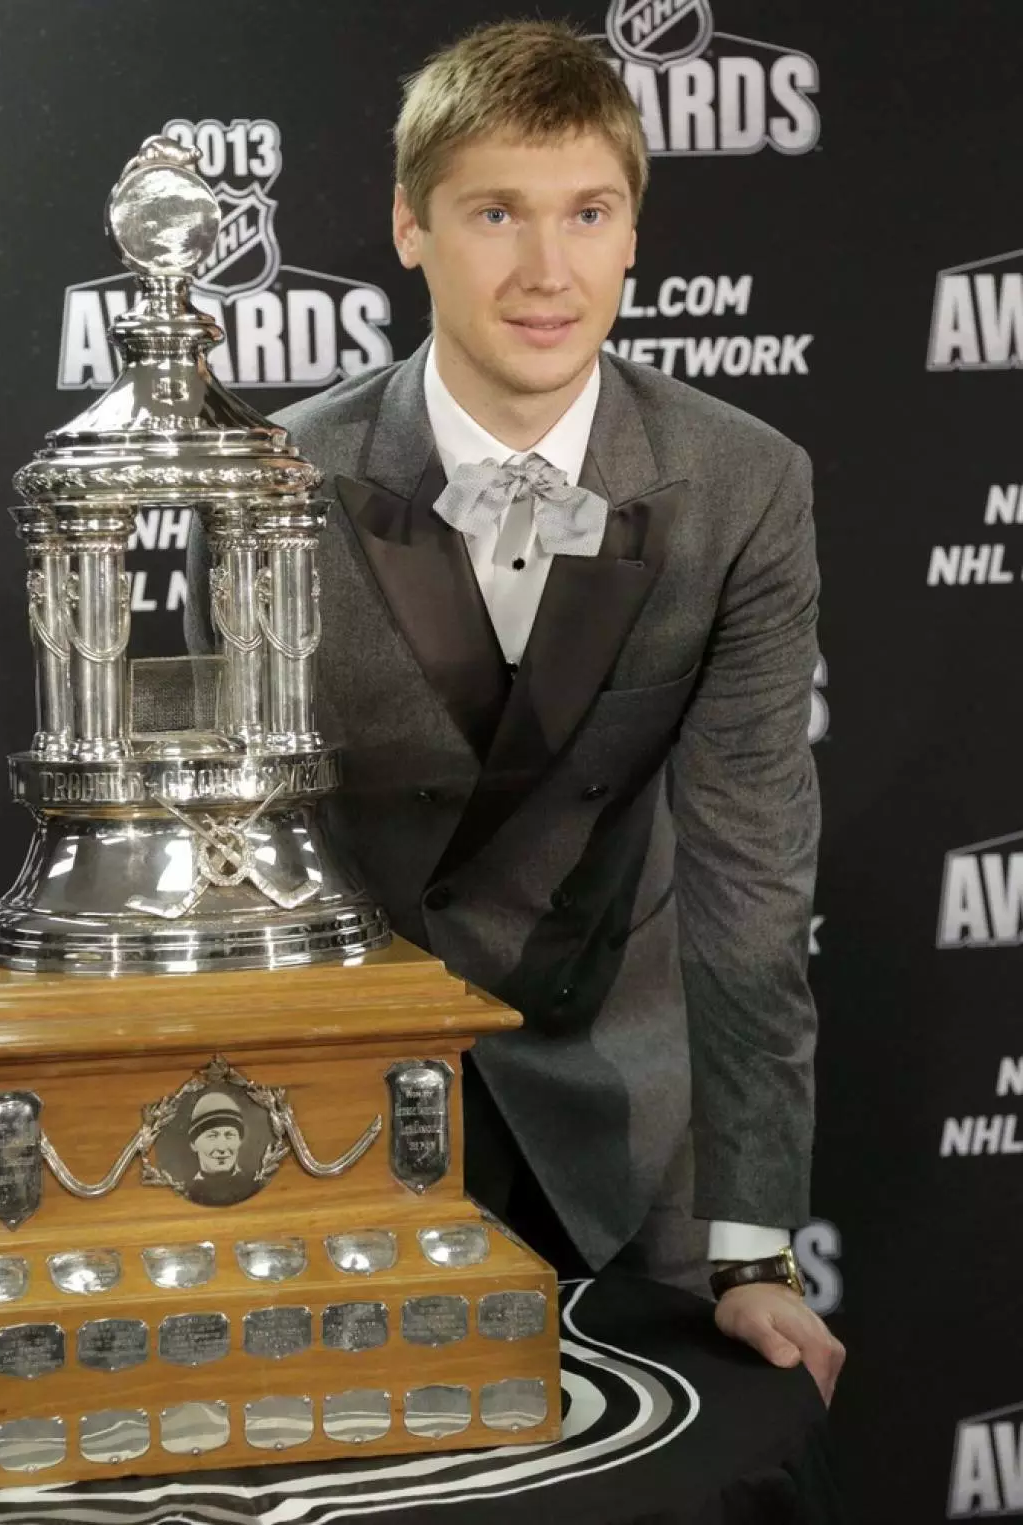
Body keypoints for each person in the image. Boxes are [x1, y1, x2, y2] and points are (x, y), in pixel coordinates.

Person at [185, 19, 844, 1401]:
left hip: (628, 1112)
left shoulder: (745, 483)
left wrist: (751, 1247)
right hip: (349, 1118)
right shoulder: (269, 484)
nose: (548, 271)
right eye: (496, 212)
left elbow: (751, 875)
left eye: (587, 213)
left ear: (631, 234)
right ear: (410, 227)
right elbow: (230, 864)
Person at [187, 1090, 245, 1182]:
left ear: (240, 1141)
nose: (222, 1148)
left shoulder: (254, 1184)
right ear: (193, 1144)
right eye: (212, 1136)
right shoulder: (182, 1190)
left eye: (229, 1135)